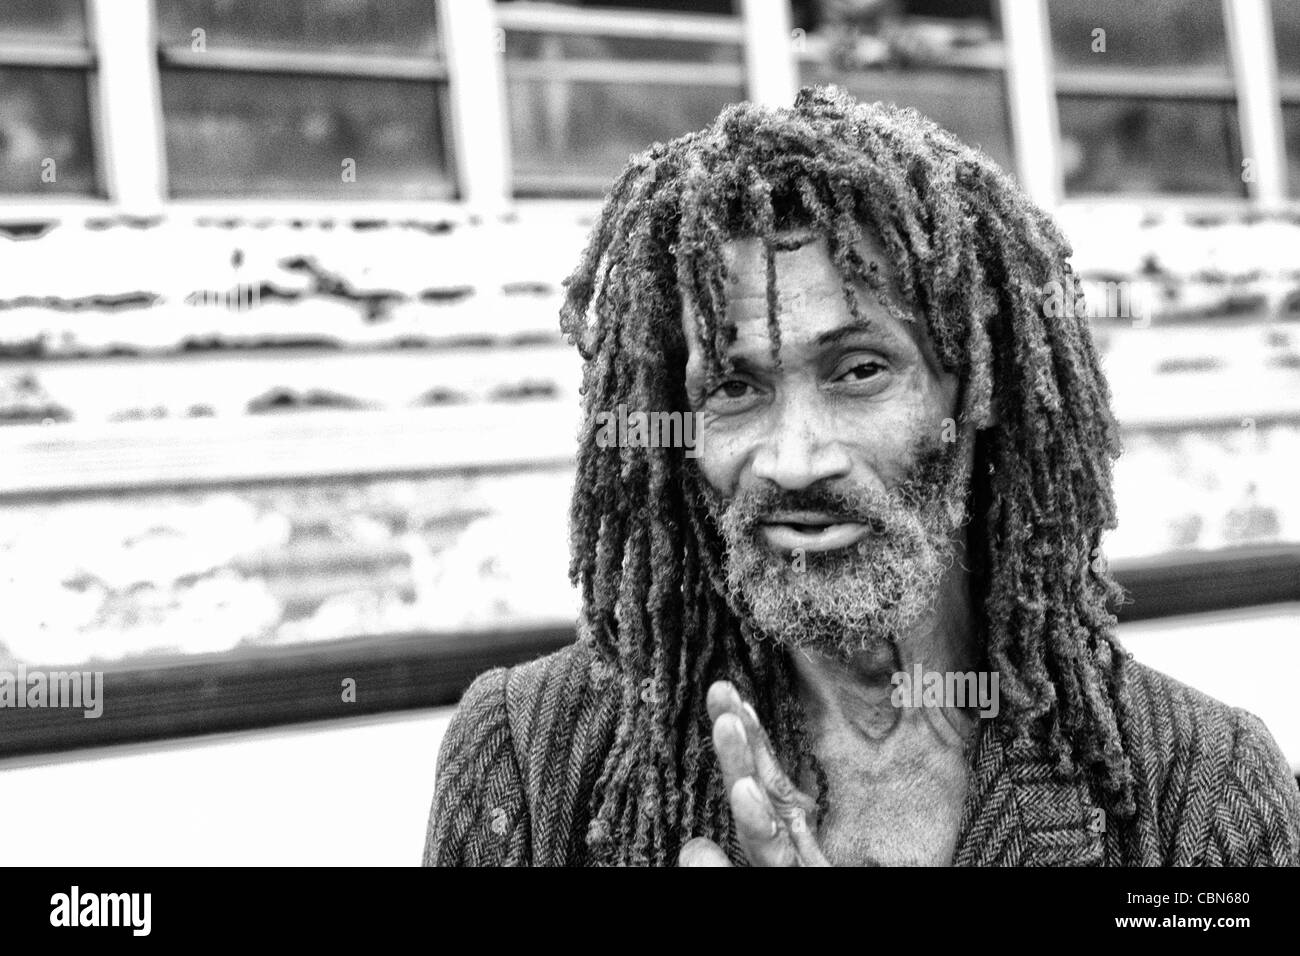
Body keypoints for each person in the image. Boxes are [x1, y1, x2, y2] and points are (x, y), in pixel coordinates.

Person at [423, 86, 1300, 866]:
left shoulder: (1198, 795)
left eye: (859, 371)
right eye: (734, 387)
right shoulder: (531, 761)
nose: (795, 459)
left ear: (979, 385)